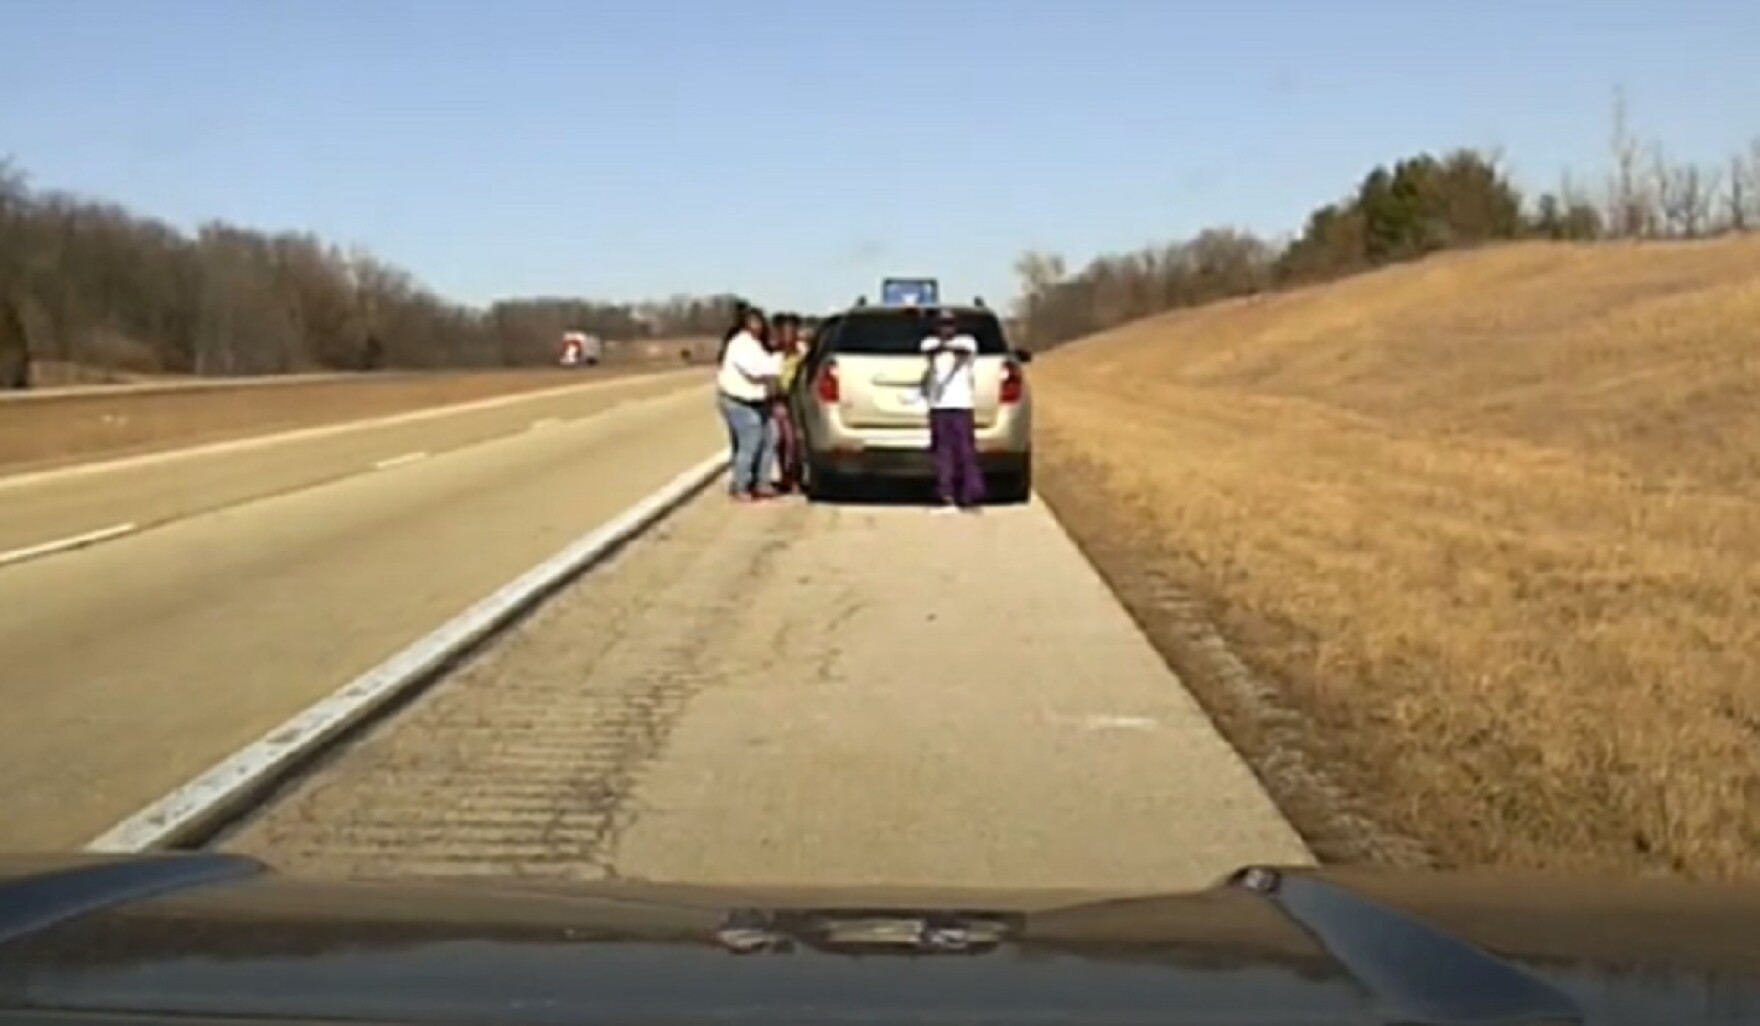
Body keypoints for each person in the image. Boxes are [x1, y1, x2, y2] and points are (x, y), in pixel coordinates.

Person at [920, 308, 984, 513]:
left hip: (962, 405)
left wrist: (949, 347)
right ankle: (945, 495)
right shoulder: (929, 344)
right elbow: (929, 350)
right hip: (939, 407)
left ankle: (969, 495)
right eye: (942, 324)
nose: (945, 329)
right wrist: (943, 347)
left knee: (965, 452)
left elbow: (965, 350)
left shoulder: (967, 342)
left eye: (949, 324)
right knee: (942, 453)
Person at [716, 305, 782, 501]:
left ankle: (762, 482)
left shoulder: (757, 344)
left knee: (770, 437)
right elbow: (756, 370)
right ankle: (740, 485)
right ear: (744, 324)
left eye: (759, 322)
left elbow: (768, 368)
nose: (757, 326)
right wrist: (776, 362)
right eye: (752, 322)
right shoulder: (740, 344)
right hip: (738, 402)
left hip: (758, 402)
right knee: (749, 443)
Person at [769, 312, 807, 493]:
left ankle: (796, 477)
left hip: (798, 402)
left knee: (796, 442)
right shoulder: (773, 355)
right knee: (782, 441)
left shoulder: (803, 353)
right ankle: (785, 476)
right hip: (780, 401)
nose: (788, 336)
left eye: (791, 331)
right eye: (784, 332)